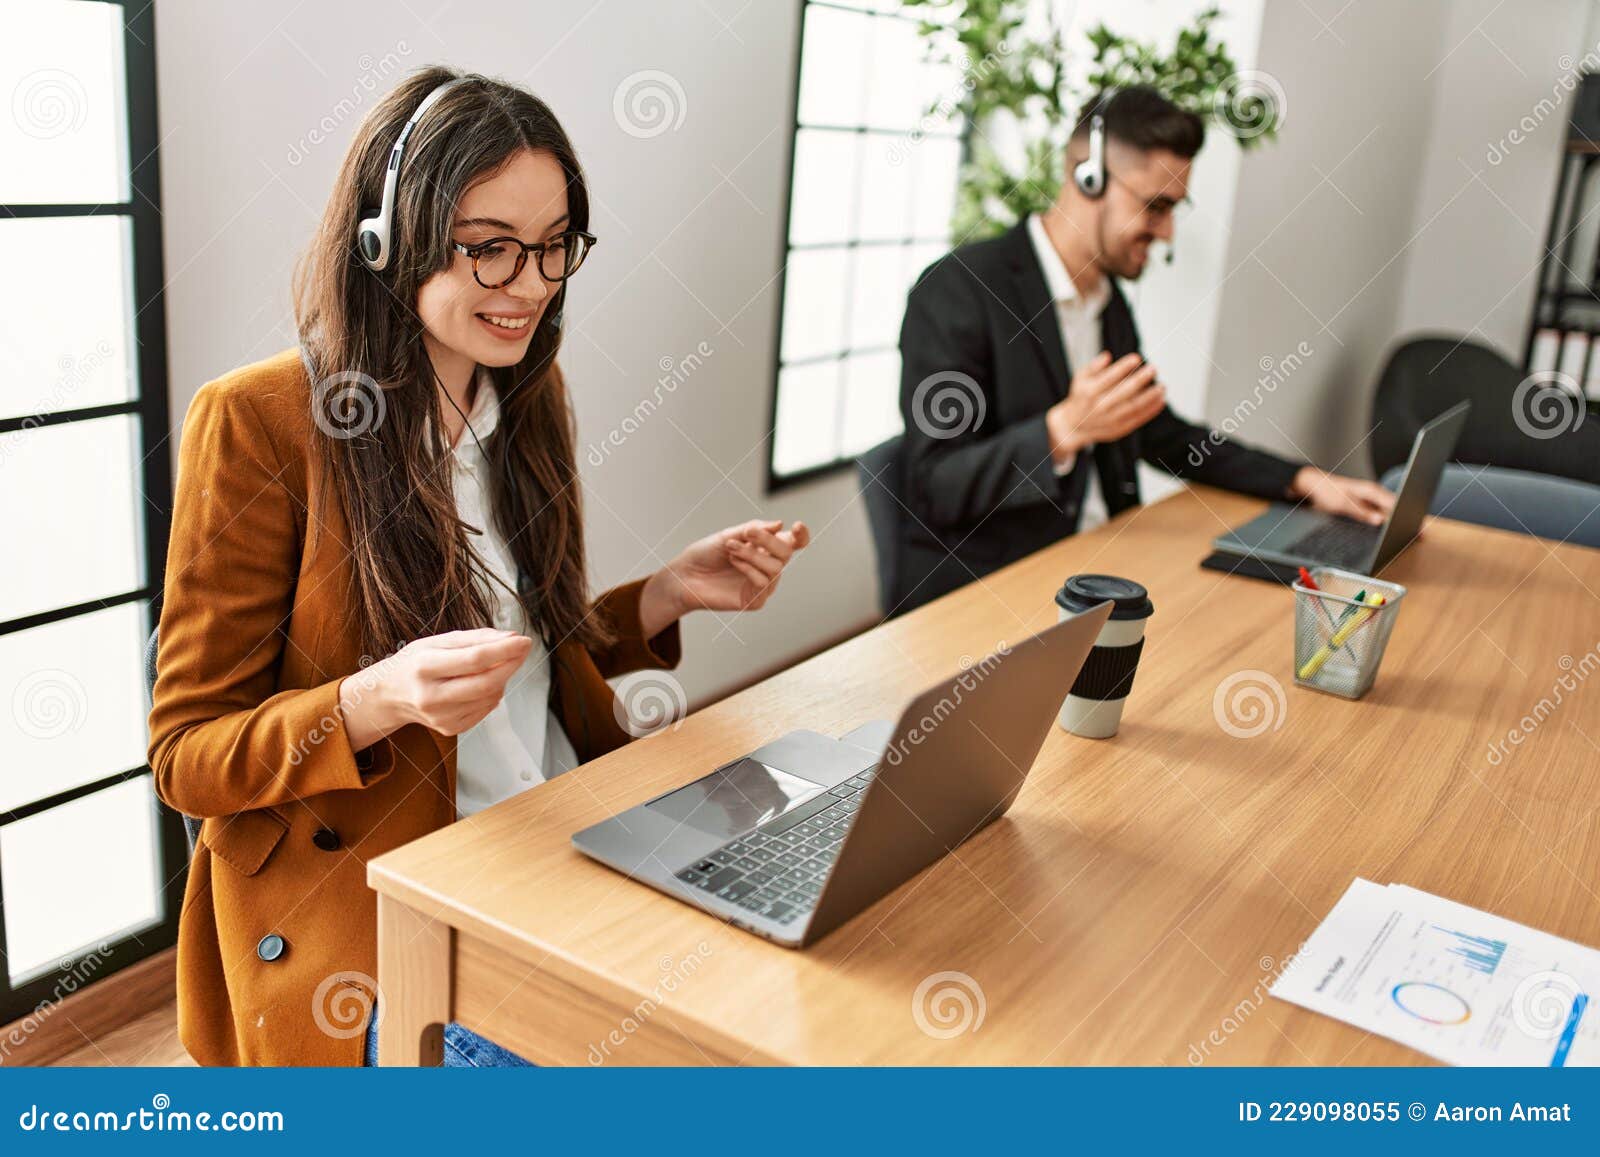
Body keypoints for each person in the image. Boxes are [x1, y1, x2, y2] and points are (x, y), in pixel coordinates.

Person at [148, 67, 809, 1067]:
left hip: (560, 840)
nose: (532, 287)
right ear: (387, 242)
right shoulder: (262, 421)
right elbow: (188, 754)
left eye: (553, 249)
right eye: (491, 250)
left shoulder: (524, 400)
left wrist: (667, 594)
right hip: (382, 915)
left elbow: (528, 655)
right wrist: (371, 700)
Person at [893, 85, 1393, 611]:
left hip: (1100, 567)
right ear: (1088, 179)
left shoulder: (1105, 299)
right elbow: (934, 484)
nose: (1168, 232)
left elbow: (1158, 432)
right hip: (993, 593)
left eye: (1174, 208)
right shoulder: (958, 291)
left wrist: (1302, 480)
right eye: (1154, 206)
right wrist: (1062, 431)